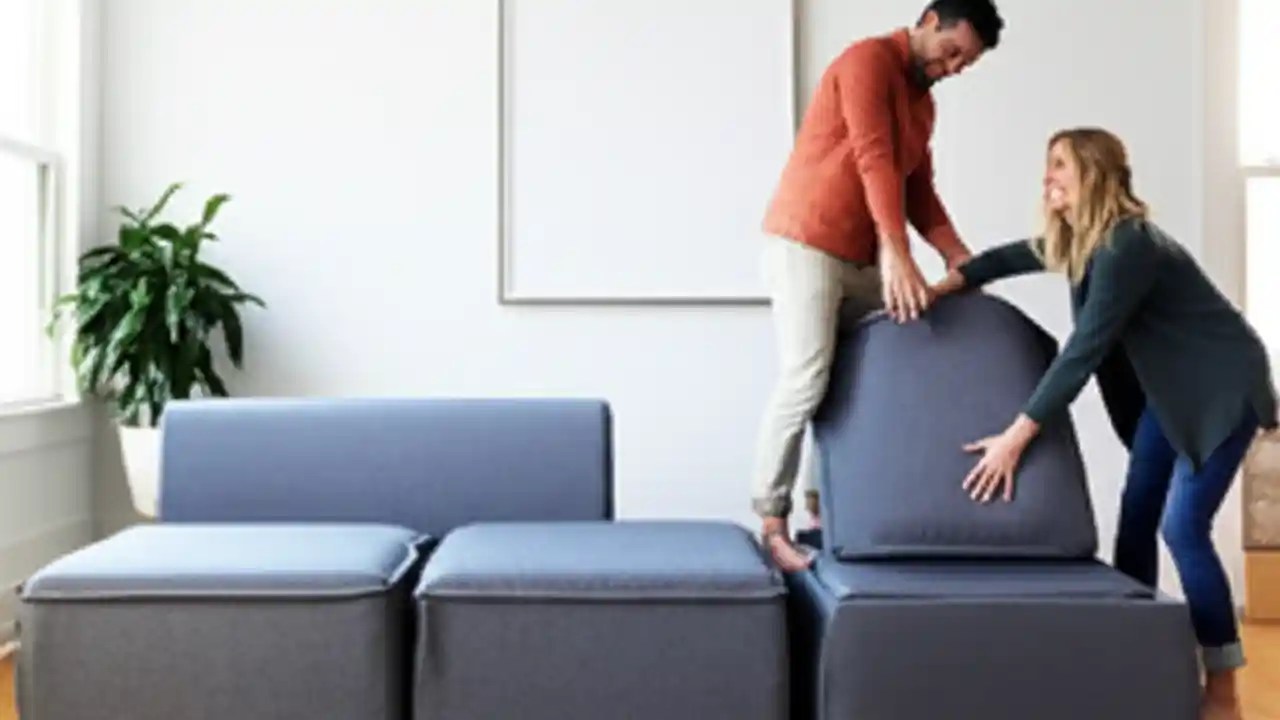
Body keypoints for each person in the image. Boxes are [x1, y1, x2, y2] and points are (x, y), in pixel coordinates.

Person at [932, 127, 1278, 720]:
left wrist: (1016, 438)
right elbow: (1007, 258)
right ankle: (1134, 659)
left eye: (1059, 165)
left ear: (1092, 173)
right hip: (1170, 395)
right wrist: (938, 288)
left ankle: (1224, 690)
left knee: (1183, 528)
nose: (1046, 178)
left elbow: (1084, 350)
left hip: (1221, 389)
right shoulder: (1082, 243)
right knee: (1136, 519)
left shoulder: (1127, 246)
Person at [752, 0, 1006, 571]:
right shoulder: (866, 61)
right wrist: (897, 252)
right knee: (806, 377)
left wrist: (961, 258)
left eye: (965, 64)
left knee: (858, 380)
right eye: (952, 52)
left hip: (861, 255)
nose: (953, 68)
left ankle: (823, 511)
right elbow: (872, 157)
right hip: (807, 241)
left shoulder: (923, 105)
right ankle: (771, 523)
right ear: (929, 22)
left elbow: (919, 192)